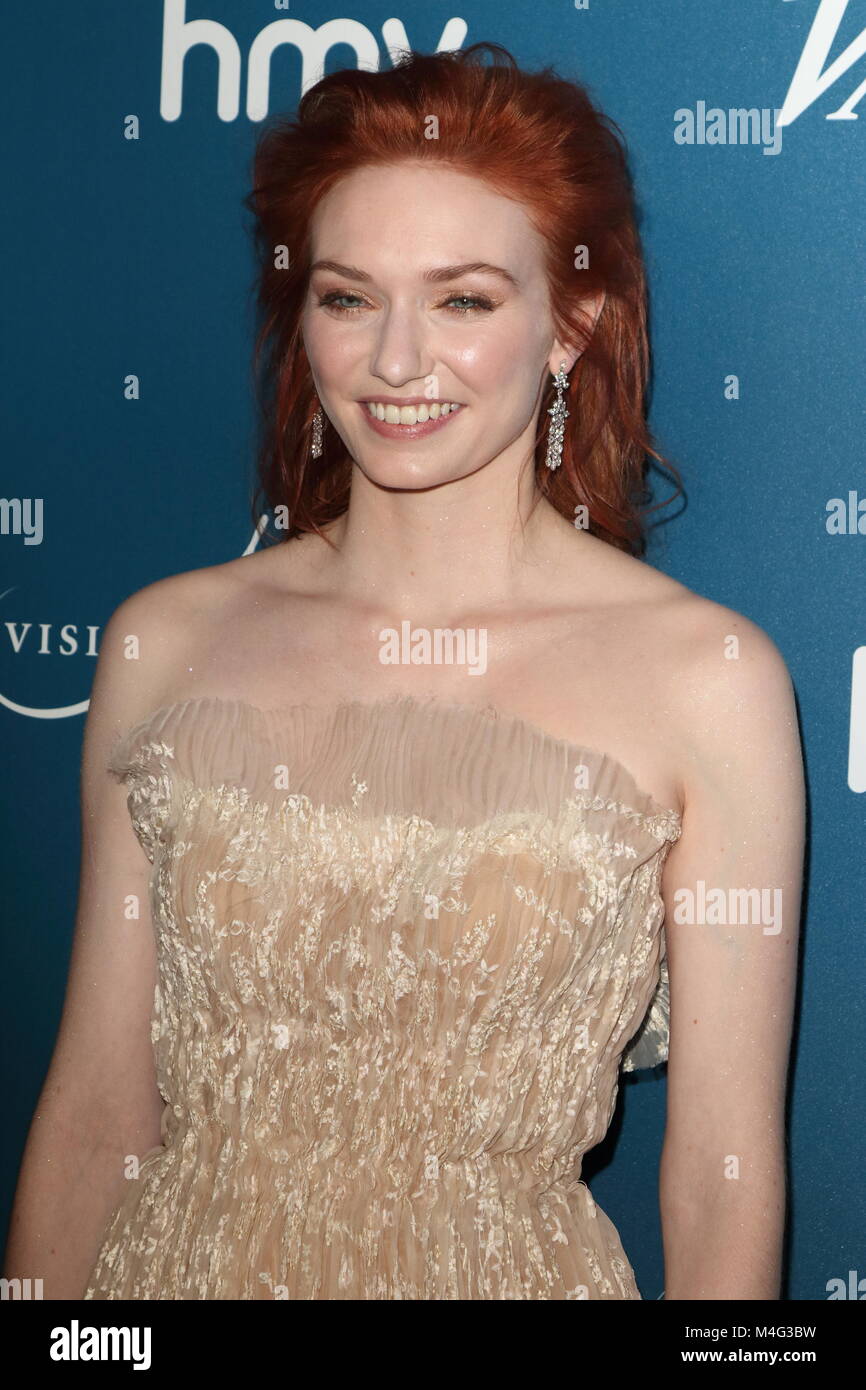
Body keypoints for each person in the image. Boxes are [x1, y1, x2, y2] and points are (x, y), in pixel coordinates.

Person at [3, 43, 804, 1300]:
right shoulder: (165, 639)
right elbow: (98, 1110)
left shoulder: (703, 677)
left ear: (570, 325)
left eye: (465, 300)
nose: (391, 361)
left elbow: (717, 1173)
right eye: (345, 297)